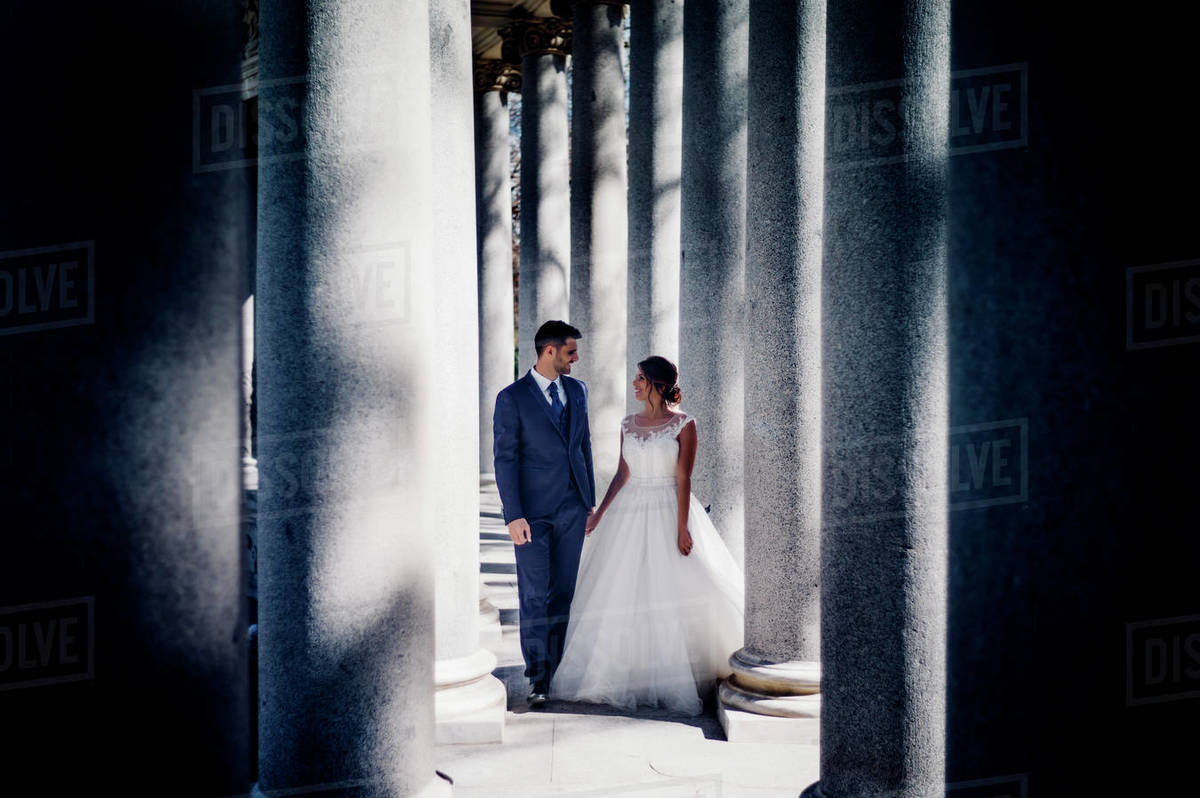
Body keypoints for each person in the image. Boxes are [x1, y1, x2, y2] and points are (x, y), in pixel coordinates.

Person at [550, 356, 744, 715]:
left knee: (673, 586)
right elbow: (623, 473)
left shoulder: (685, 424)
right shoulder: (628, 423)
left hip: (669, 507)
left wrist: (682, 527)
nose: (635, 384)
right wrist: (600, 513)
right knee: (621, 590)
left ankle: (676, 671)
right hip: (629, 508)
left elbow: (683, 477)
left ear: (656, 383)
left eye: (640, 378)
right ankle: (622, 671)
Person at [492, 320, 597, 706]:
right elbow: (505, 460)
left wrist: (589, 502)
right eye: (571, 351)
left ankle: (556, 669)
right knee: (534, 595)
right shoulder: (512, 398)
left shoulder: (578, 390)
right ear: (548, 351)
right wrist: (512, 514)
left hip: (572, 508)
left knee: (563, 593)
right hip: (531, 514)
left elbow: (583, 445)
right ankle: (537, 676)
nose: (576, 358)